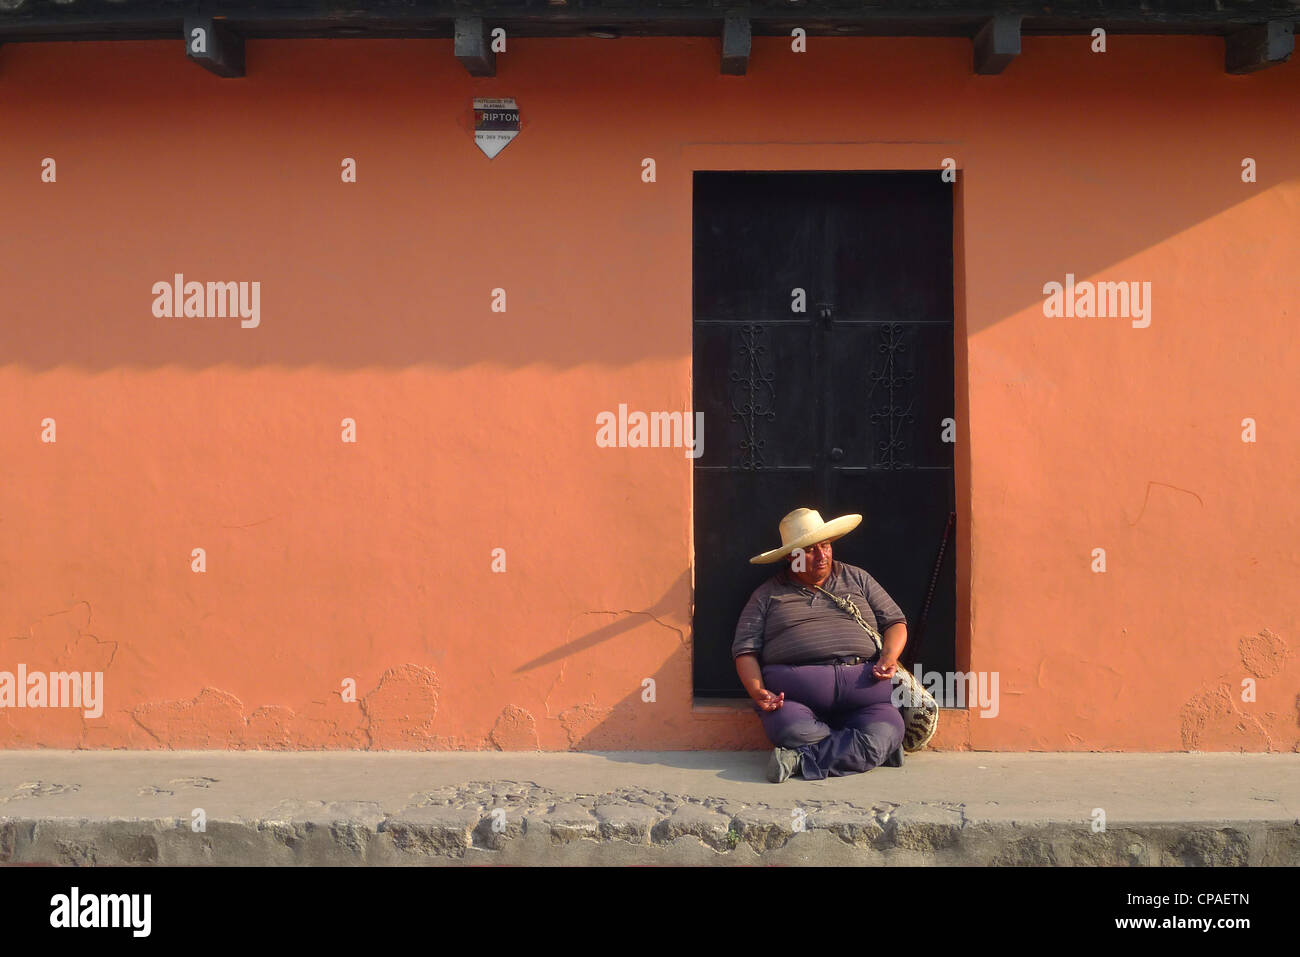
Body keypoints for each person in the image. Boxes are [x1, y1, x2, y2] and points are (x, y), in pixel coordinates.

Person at [733, 507, 908, 783]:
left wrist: (889, 656)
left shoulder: (857, 579)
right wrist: (757, 690)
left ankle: (801, 758)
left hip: (864, 692)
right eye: (811, 550)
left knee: (889, 729)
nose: (822, 555)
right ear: (793, 556)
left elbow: (896, 622)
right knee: (789, 730)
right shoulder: (767, 595)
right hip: (795, 699)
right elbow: (745, 650)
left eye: (825, 546)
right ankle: (866, 752)